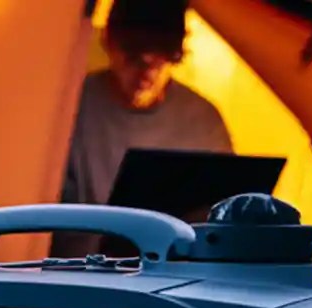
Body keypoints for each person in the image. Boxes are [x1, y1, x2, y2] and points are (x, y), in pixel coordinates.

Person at [52, 0, 233, 257]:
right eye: (133, 55)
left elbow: (223, 218)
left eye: (160, 57)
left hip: (175, 272)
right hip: (80, 272)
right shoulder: (70, 108)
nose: (145, 72)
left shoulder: (202, 121)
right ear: (110, 44)